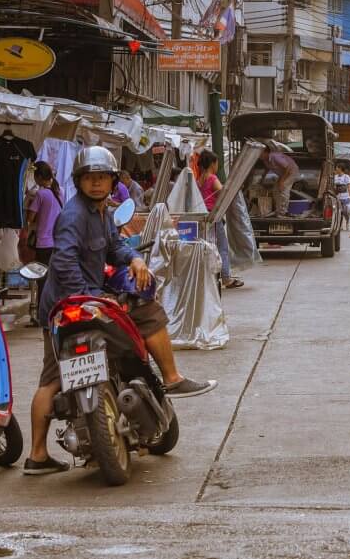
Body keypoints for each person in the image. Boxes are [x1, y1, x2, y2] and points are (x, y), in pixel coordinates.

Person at [25, 146, 214, 476]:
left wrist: (135, 259)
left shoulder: (101, 213)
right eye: (90, 179)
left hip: (71, 303)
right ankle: (171, 378)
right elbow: (65, 262)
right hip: (70, 304)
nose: (96, 184)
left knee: (51, 380)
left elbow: (114, 246)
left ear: (112, 183)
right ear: (80, 181)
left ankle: (37, 456)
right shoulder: (73, 216)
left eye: (102, 178)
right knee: (147, 310)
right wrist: (91, 299)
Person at [194, 149, 242, 290]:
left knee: (207, 247)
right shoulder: (212, 179)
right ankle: (226, 278)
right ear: (212, 163)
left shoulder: (199, 180)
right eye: (216, 164)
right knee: (222, 248)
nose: (217, 167)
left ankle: (208, 276)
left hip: (203, 217)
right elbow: (223, 193)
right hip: (214, 217)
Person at [24, 161, 62, 327]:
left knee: (41, 281)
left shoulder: (40, 195)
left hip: (43, 243)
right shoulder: (58, 193)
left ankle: (42, 316)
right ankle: (54, 312)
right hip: (57, 242)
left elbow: (30, 218)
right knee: (53, 280)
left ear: (39, 177)